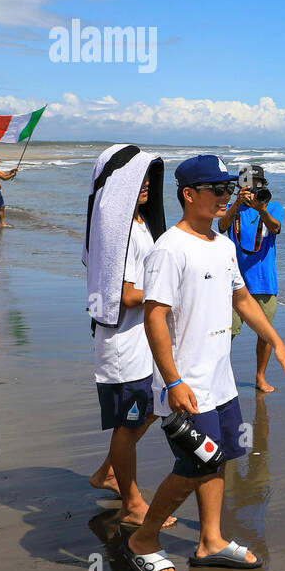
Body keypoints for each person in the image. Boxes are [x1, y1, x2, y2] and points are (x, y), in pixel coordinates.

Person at [123, 155, 285, 571]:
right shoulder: (170, 248)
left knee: (217, 461)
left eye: (228, 188)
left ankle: (210, 540)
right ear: (189, 194)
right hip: (188, 385)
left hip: (219, 383)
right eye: (217, 189)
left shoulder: (221, 244)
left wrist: (276, 340)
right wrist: (173, 381)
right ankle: (143, 541)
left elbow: (241, 299)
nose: (226, 196)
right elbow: (155, 317)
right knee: (195, 464)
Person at [82, 145, 175, 529]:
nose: (148, 184)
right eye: (139, 178)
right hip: (122, 341)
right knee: (129, 419)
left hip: (142, 338)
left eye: (151, 178)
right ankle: (132, 504)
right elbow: (120, 292)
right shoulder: (114, 231)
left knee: (150, 409)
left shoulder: (138, 224)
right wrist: (168, 295)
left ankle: (108, 472)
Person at [219, 164, 284, 394]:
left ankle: (260, 377)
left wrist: (261, 209)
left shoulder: (273, 207)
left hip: (265, 281)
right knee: (227, 332)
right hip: (235, 282)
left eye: (257, 187)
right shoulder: (233, 209)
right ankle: (218, 374)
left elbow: (275, 228)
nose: (253, 192)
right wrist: (236, 204)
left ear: (263, 186)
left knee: (265, 334)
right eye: (248, 187)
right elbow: (221, 225)